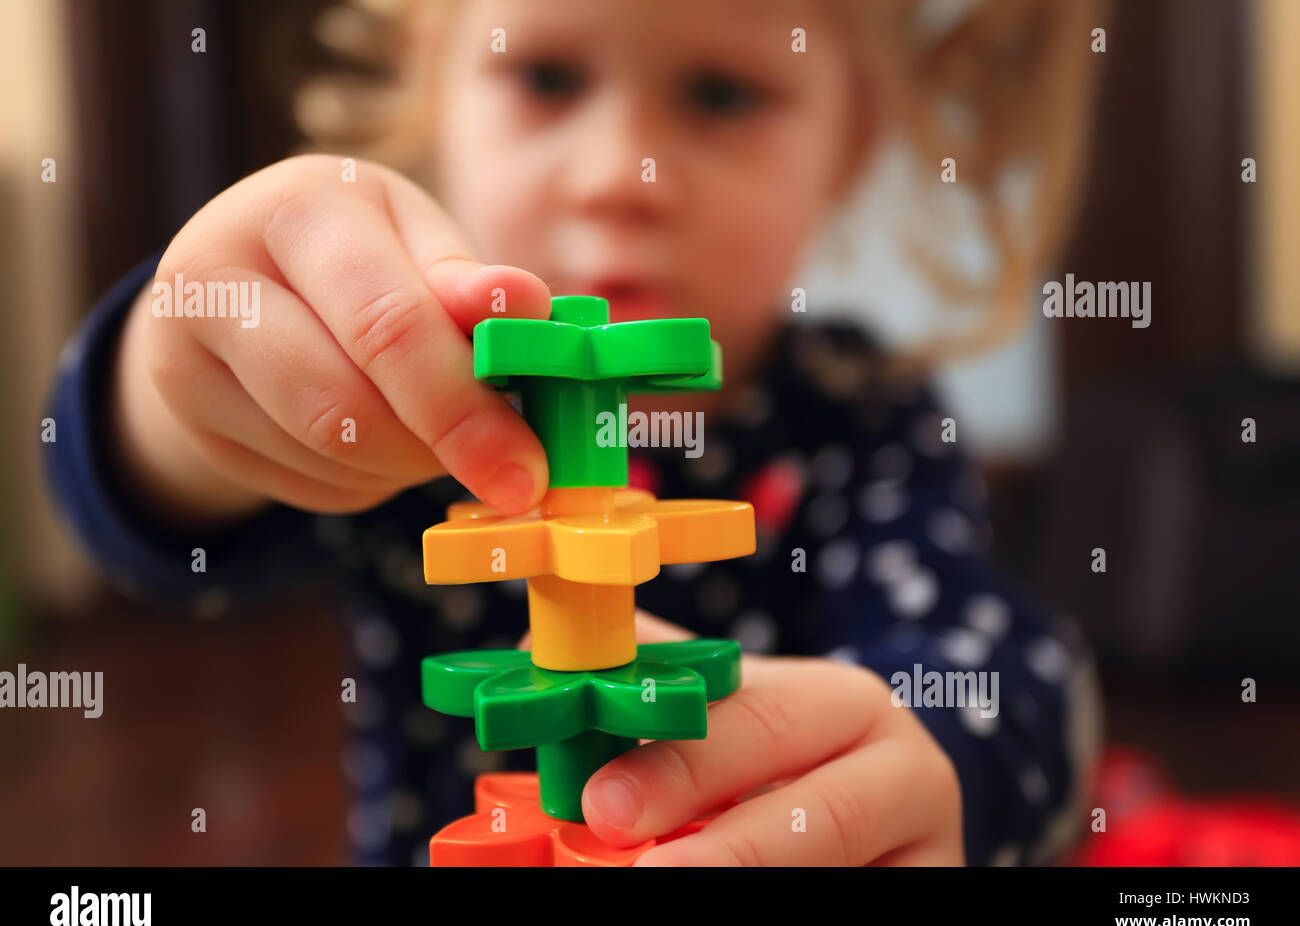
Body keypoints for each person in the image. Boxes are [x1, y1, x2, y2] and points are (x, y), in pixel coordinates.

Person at [45, 0, 1103, 866]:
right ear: (432, 97)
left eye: (722, 93)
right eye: (546, 77)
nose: (615, 177)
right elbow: (164, 539)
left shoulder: (862, 411)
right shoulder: (409, 406)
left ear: (847, 146)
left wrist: (931, 766)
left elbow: (1000, 667)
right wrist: (179, 376)